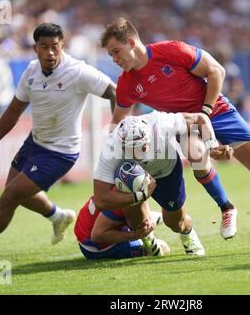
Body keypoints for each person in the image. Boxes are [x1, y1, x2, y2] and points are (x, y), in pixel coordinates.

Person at [100, 18, 250, 253]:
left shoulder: (171, 50)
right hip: (185, 125)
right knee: (196, 154)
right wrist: (111, 153)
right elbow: (118, 123)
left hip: (217, 111)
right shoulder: (126, 84)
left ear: (132, 42)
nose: (115, 59)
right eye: (111, 56)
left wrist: (205, 112)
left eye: (116, 51)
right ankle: (226, 207)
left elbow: (216, 70)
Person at [0, 23, 117, 262]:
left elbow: (114, 92)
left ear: (62, 46)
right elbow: (14, 111)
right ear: (35, 48)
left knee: (9, 198)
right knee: (16, 194)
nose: (50, 53)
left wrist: (116, 130)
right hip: (35, 144)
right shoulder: (31, 72)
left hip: (60, 153)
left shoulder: (78, 72)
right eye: (44, 47)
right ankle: (58, 217)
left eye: (55, 47)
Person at [93, 110, 233, 256]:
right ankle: (146, 236)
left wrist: (211, 146)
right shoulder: (111, 146)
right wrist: (138, 196)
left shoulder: (160, 124)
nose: (134, 154)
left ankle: (187, 232)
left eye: (139, 149)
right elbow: (100, 199)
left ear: (148, 140)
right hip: (133, 182)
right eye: (129, 150)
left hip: (166, 171)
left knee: (174, 223)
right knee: (134, 222)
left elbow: (200, 117)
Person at [74, 195, 170, 259]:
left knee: (142, 221)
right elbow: (97, 236)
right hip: (98, 247)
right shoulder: (123, 202)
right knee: (164, 246)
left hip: (86, 237)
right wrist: (134, 235)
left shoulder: (109, 188)